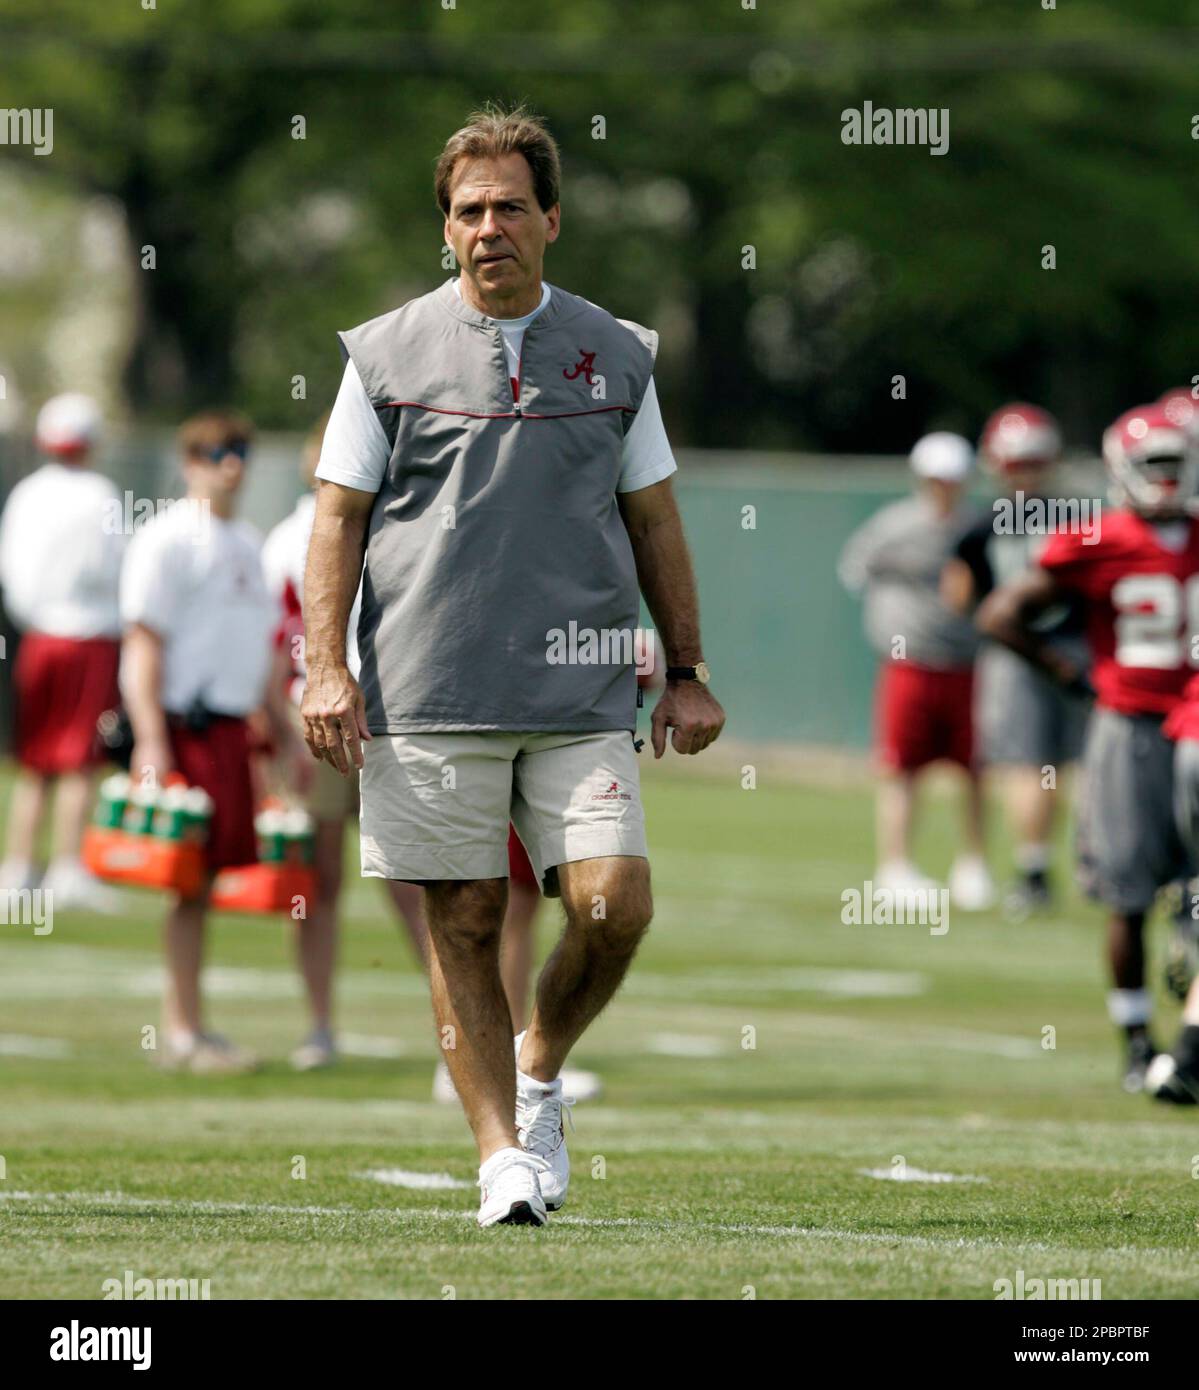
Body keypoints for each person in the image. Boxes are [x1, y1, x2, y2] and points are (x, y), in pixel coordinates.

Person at [300, 103, 725, 1227]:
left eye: (507, 207)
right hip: (427, 688)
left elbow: (656, 519)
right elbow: (335, 519)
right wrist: (323, 668)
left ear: (550, 220)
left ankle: (539, 1065)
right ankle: (500, 1158)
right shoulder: (380, 353)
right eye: (466, 210)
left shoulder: (618, 352)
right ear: (444, 228)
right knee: (467, 921)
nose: (487, 226)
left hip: (580, 687)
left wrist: (685, 666)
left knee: (613, 903)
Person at [978, 401, 1199, 1092]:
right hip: (1127, 724)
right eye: (1153, 465)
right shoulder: (1096, 538)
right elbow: (1000, 614)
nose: (1165, 479)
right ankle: (1136, 1043)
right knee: (1125, 891)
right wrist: (1070, 674)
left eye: (1174, 463)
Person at [120, 410, 295, 1074]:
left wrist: (281, 734)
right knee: (187, 883)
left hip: (231, 731)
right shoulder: (166, 539)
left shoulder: (249, 544)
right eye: (220, 451)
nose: (234, 463)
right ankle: (182, 1029)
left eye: (242, 450)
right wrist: (150, 741)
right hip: (183, 726)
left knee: (210, 880)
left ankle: (191, 1024)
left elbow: (260, 654)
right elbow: (144, 643)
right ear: (190, 459)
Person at [942, 404, 1089, 918]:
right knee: (1079, 764)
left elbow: (958, 598)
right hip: (1075, 650)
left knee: (1028, 765)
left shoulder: (980, 526)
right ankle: (1097, 865)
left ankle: (1033, 870)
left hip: (1013, 652)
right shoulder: (1081, 519)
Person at [838, 431, 994, 909]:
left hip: (967, 663)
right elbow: (853, 572)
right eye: (935, 478)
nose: (943, 487)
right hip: (910, 665)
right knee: (900, 767)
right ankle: (895, 865)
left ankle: (973, 864)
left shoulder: (977, 528)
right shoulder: (894, 526)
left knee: (974, 769)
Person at [0, 394, 125, 909]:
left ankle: (18, 868)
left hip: (38, 637)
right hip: (88, 637)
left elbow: (12, 571)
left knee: (36, 760)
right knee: (79, 760)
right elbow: (114, 566)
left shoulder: (27, 493)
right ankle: (68, 868)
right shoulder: (100, 493)